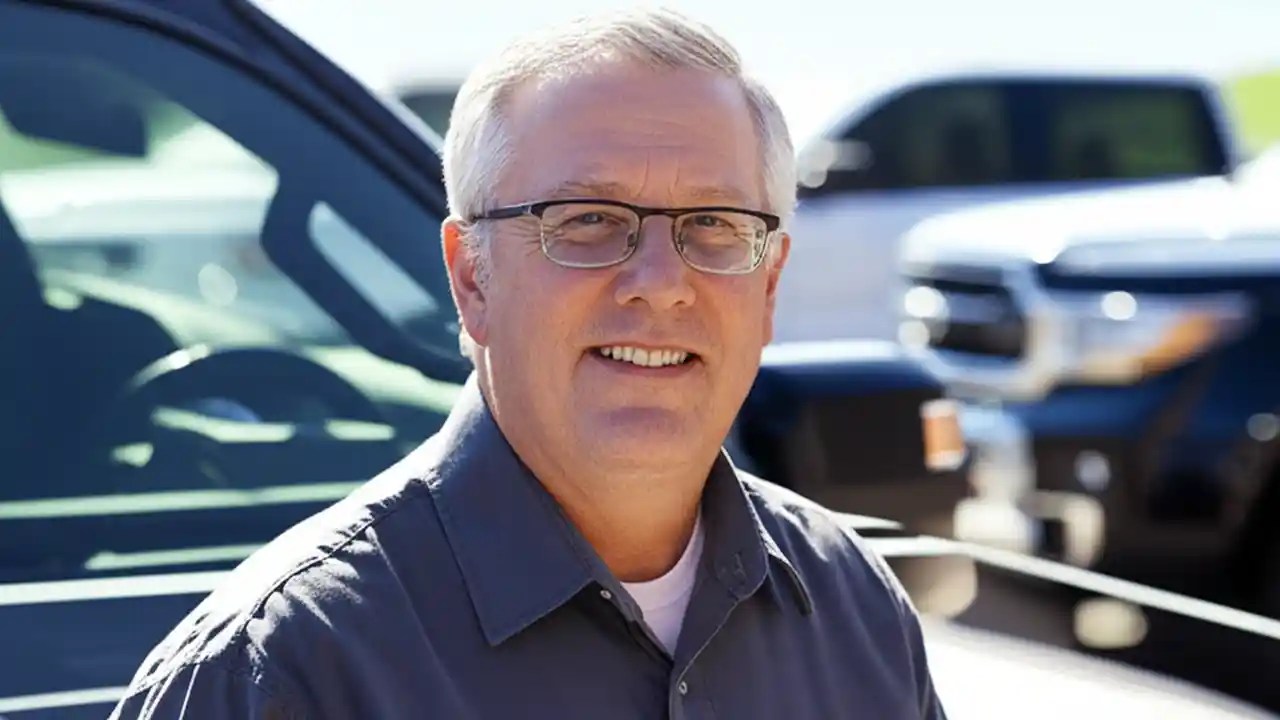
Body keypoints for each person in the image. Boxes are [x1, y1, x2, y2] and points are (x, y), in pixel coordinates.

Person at [111, 8, 948, 719]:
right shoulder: (284, 673)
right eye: (586, 220)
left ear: (768, 286)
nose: (660, 285)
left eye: (714, 225)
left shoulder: (856, 617)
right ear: (472, 277)